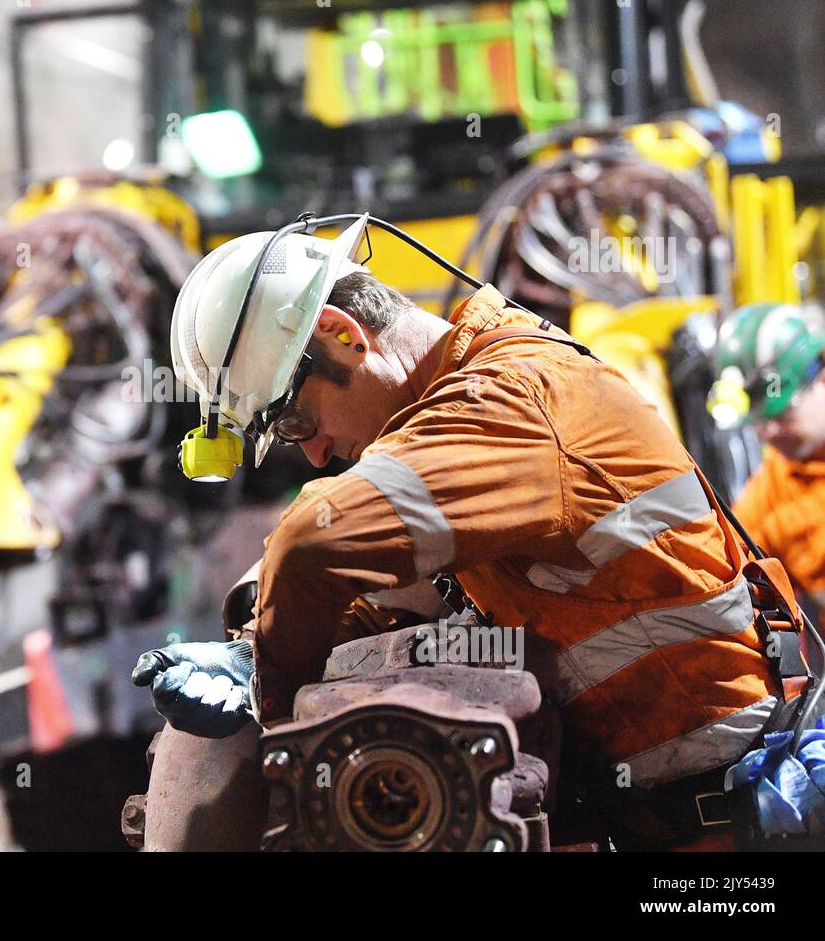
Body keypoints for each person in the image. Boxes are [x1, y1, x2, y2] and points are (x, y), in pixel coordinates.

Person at [132, 218, 801, 846]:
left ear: (341, 333)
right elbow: (399, 593)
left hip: (717, 818)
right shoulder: (455, 432)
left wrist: (267, 700)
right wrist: (252, 643)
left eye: (297, 422)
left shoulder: (514, 399)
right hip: (648, 809)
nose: (312, 454)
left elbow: (316, 541)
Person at [710, 304, 825, 635]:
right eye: (760, 420)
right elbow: (727, 566)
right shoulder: (774, 488)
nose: (767, 433)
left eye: (781, 415)